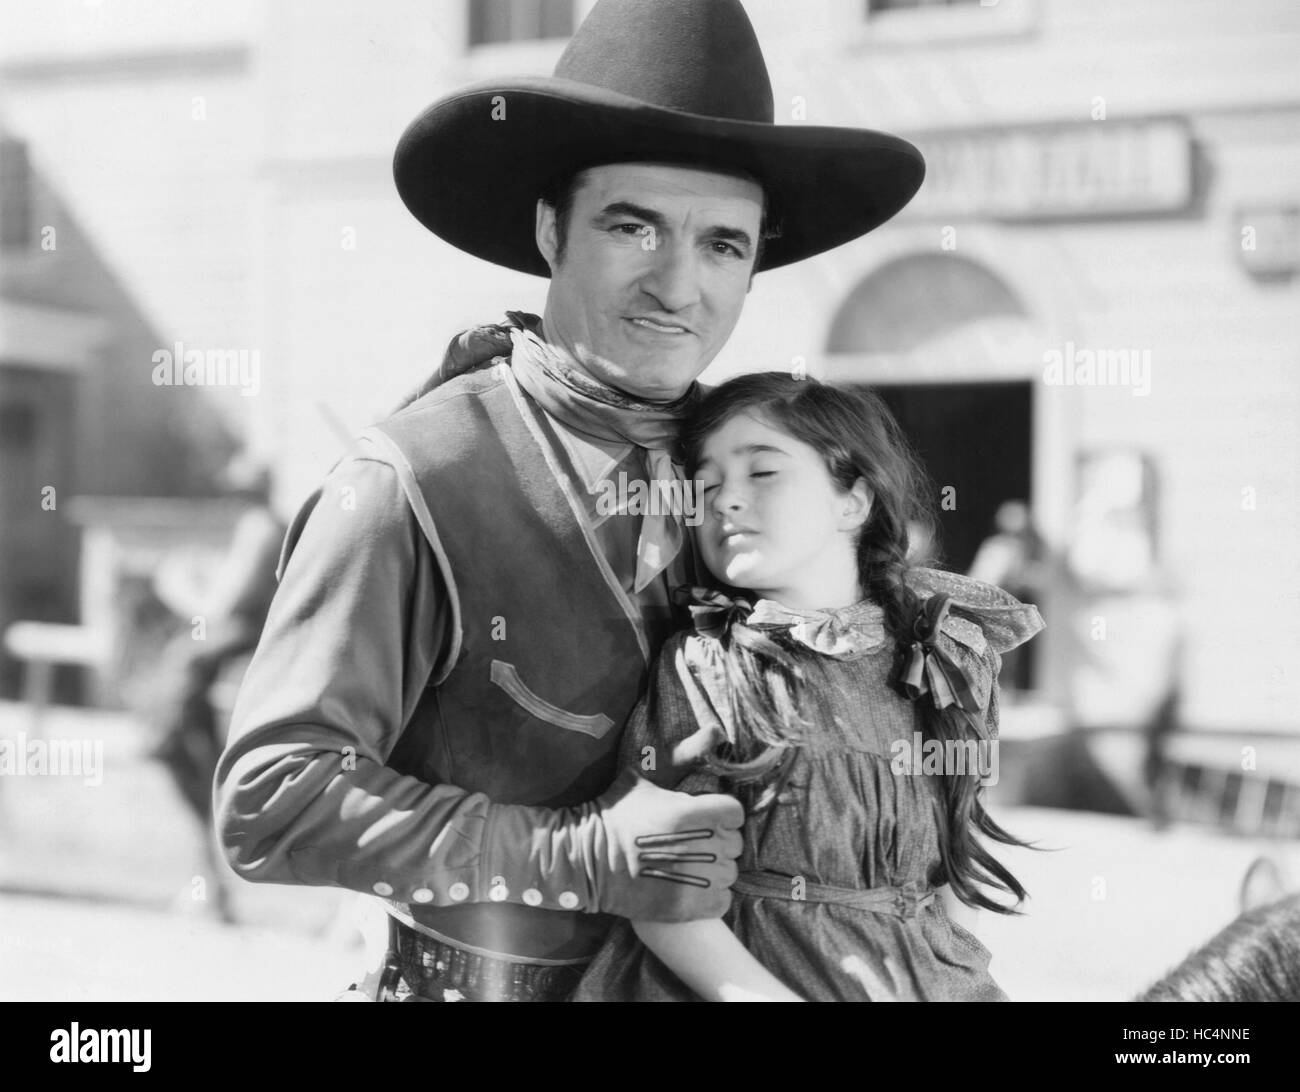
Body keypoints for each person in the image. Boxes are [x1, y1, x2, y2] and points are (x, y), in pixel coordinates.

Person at [213, 0, 926, 1001]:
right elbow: (271, 801)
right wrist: (582, 854)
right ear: (552, 229)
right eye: (632, 228)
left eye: (723, 245)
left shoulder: (750, 472)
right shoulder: (413, 481)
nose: (679, 286)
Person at [571, 374, 1045, 1001]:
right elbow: (658, 888)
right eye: (705, 485)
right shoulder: (710, 663)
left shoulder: (951, 651)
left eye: (761, 474)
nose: (723, 501)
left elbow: (959, 849)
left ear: (853, 501)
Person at [145, 451, 284, 921]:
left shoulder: (260, 528)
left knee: (180, 678)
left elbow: (222, 607)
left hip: (238, 640)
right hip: (233, 636)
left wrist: (177, 583)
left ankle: (165, 731)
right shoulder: (258, 525)